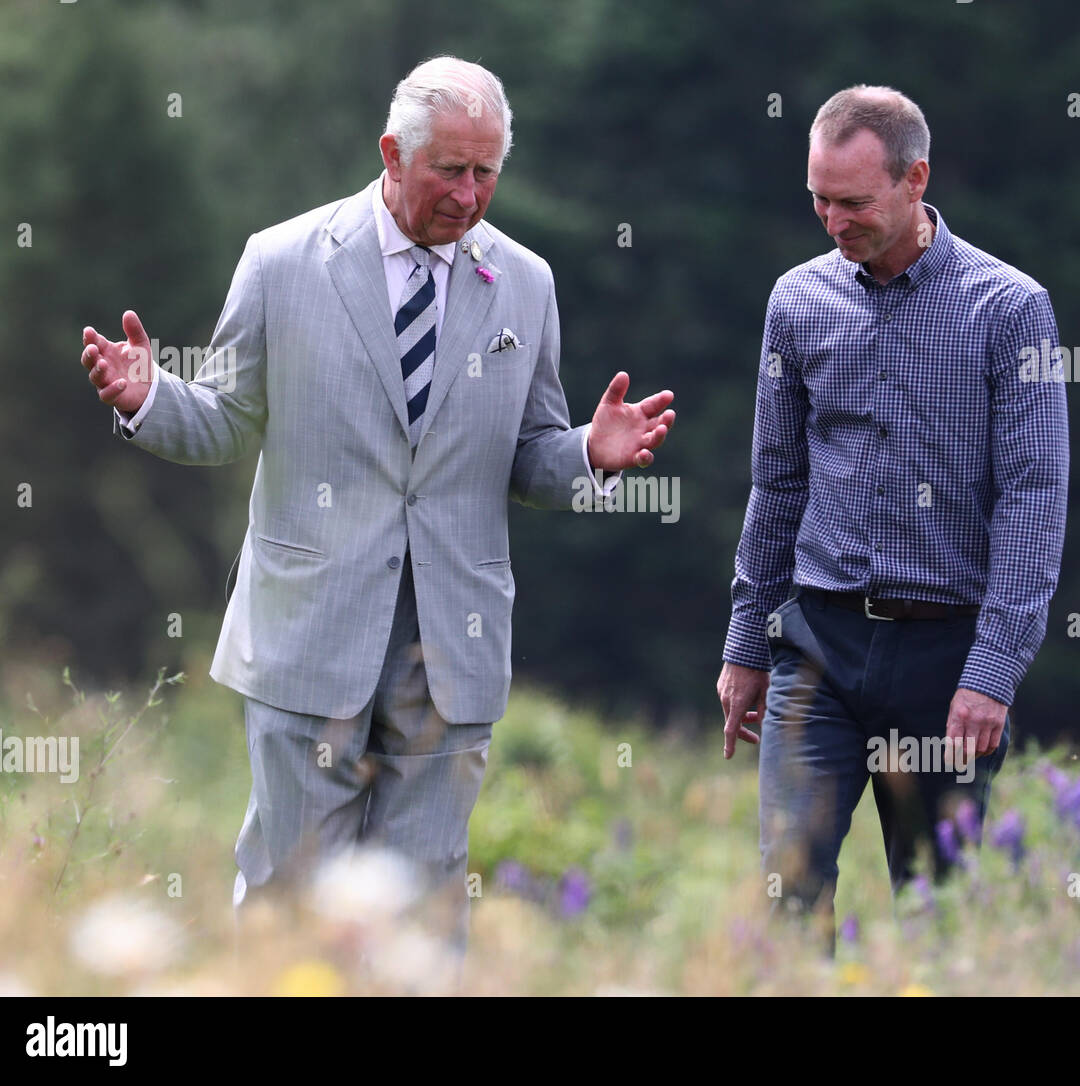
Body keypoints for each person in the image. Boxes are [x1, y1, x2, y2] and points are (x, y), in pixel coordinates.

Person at [79, 56, 675, 956]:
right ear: (393, 153)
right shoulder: (280, 261)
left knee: (426, 913)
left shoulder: (526, 281)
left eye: (487, 173)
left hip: (453, 646)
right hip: (308, 632)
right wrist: (149, 401)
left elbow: (530, 457)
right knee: (290, 890)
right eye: (451, 170)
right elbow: (226, 423)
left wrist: (590, 456)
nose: (470, 195)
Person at [717, 85, 1068, 952]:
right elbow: (778, 481)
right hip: (817, 649)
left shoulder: (1010, 308)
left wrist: (994, 669)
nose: (833, 221)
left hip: (946, 658)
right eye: (819, 200)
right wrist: (743, 644)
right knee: (788, 893)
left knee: (936, 912)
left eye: (854, 202)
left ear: (916, 180)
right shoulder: (795, 303)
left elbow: (1035, 494)